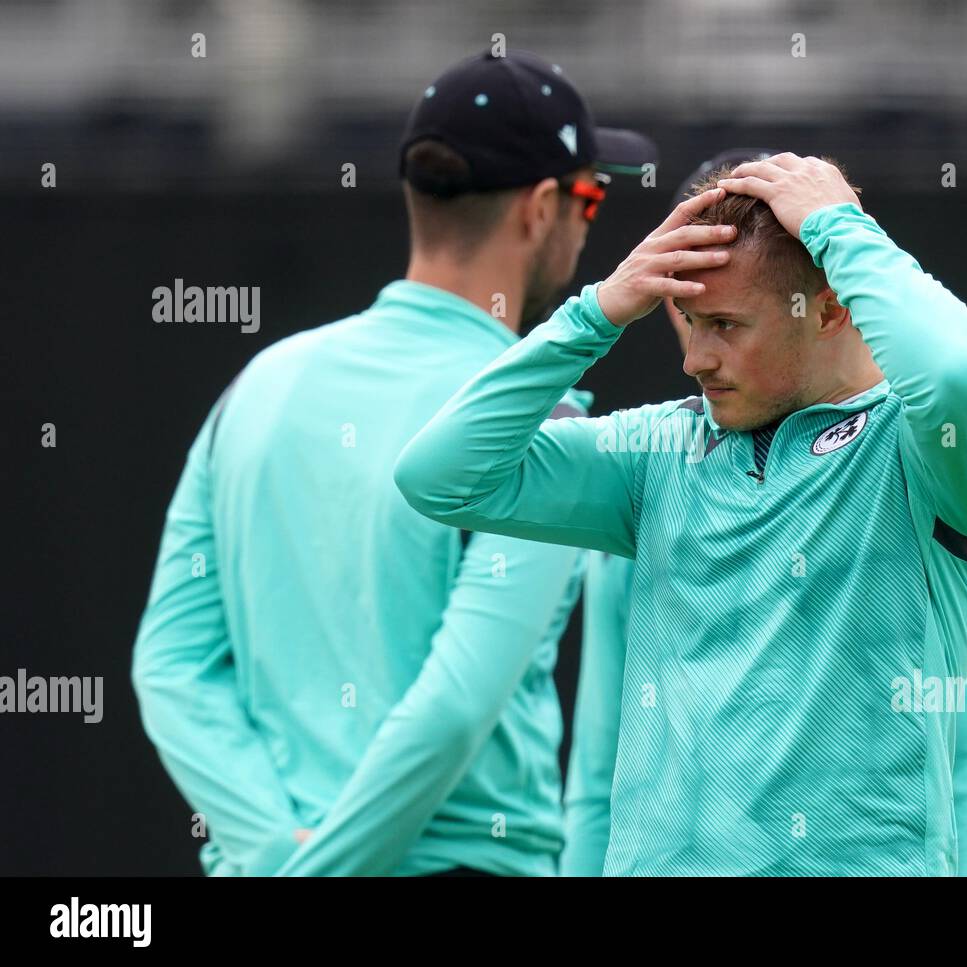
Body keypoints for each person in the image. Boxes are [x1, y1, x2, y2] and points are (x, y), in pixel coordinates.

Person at [395, 151, 967, 875]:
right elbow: (438, 474)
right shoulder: (656, 452)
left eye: (725, 323)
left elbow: (961, 377)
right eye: (689, 320)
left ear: (831, 307)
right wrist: (598, 309)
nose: (695, 358)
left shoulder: (925, 457)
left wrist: (842, 230)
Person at [131, 48, 654, 876]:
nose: (592, 224)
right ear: (542, 206)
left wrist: (276, 850)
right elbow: (452, 708)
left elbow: (170, 669)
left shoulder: (256, 386)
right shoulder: (535, 424)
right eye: (592, 195)